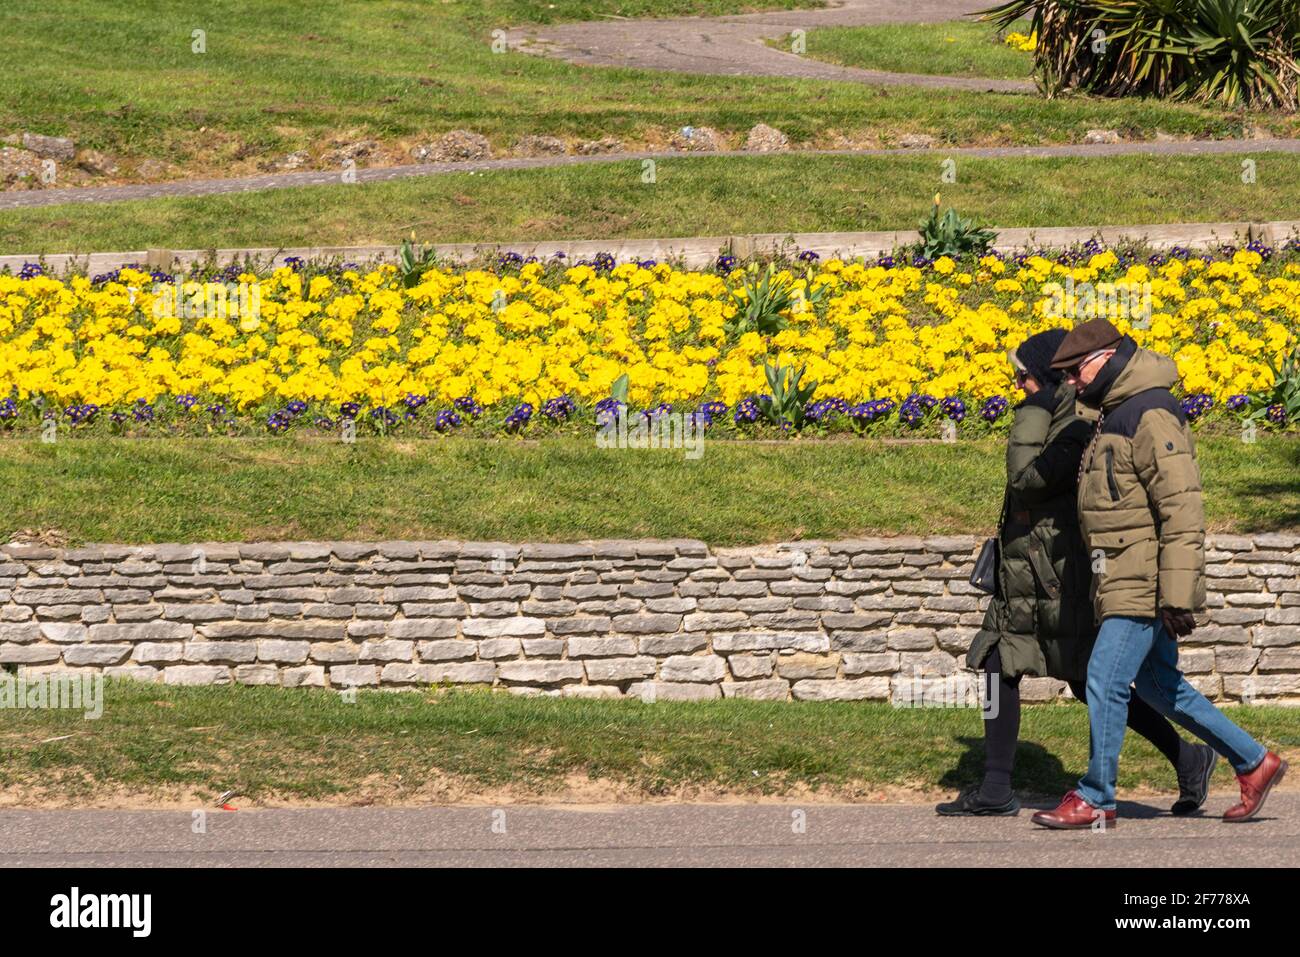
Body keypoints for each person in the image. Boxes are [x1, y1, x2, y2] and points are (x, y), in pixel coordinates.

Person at [937, 329, 1213, 816]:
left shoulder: (1075, 421)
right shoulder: (1065, 414)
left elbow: (1027, 480)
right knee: (1001, 662)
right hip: (1029, 569)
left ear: (1043, 377)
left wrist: (1036, 405)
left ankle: (1189, 758)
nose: (1017, 385)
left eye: (1023, 375)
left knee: (1090, 681)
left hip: (1066, 572)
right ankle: (997, 787)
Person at [1031, 319, 1287, 829]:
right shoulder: (1116, 411)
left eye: (1077, 371)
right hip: (1122, 575)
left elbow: (1182, 508)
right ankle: (1255, 761)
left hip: (1143, 581)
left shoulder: (1149, 412)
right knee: (1159, 688)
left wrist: (1177, 594)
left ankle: (1096, 796)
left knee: (1104, 678)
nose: (1074, 383)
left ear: (1107, 357)